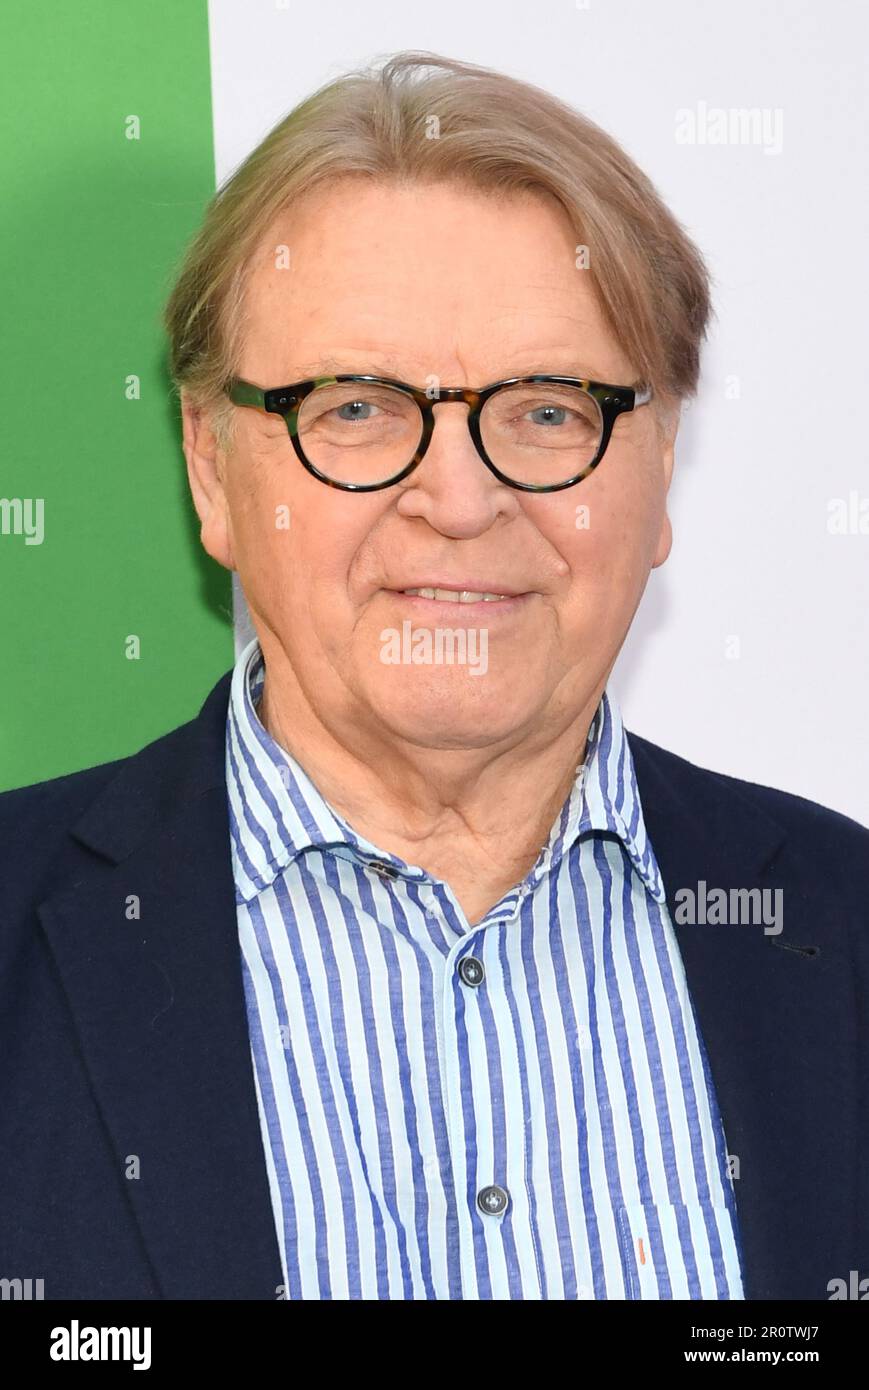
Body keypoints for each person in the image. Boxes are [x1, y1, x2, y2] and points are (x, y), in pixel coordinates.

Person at [1, 51, 866, 1301]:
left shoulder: (837, 933)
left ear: (659, 459)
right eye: (353, 408)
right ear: (208, 468)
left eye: (548, 409)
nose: (459, 497)